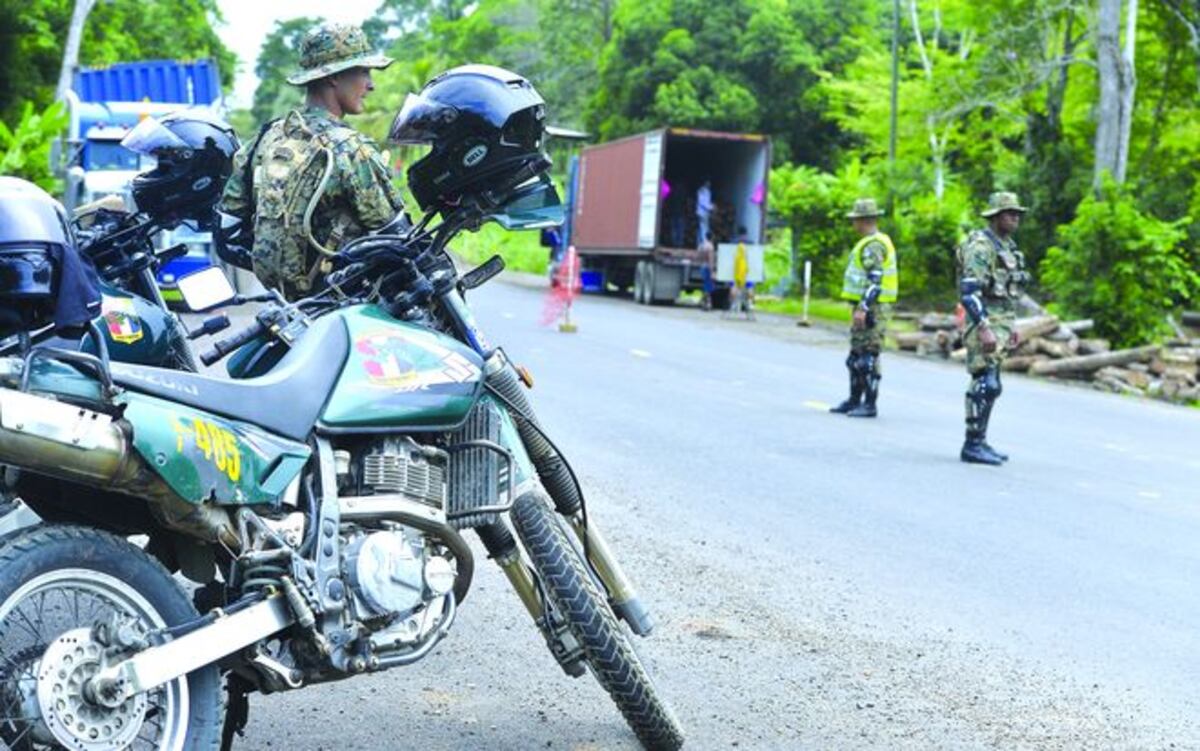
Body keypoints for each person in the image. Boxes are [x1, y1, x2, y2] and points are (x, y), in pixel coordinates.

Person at [219, 22, 403, 300]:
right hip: (348, 308)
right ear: (333, 77)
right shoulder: (350, 148)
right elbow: (398, 238)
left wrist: (286, 276)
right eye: (363, 71)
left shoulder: (264, 140)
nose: (371, 84)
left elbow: (226, 232)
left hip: (287, 308)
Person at [957, 191, 1031, 465]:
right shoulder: (981, 247)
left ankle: (981, 440)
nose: (1015, 218)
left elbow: (1009, 293)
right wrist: (984, 327)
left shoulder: (1007, 246)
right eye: (1010, 213)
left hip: (1001, 321)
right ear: (996, 216)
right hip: (983, 320)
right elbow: (969, 292)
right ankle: (971, 444)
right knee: (984, 383)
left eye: (1017, 214)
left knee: (993, 384)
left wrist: (1011, 325)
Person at [830, 198, 898, 418]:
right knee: (855, 356)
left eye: (856, 220)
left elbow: (875, 280)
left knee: (867, 357)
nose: (854, 225)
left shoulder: (873, 246)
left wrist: (863, 307)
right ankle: (853, 400)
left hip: (873, 309)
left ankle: (869, 404)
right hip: (867, 306)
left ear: (864, 220)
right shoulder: (870, 242)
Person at [696, 179, 713, 248]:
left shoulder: (704, 190)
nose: (709, 184)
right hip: (703, 212)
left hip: (703, 212)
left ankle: (700, 244)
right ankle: (704, 244)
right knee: (704, 228)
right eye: (708, 182)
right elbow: (703, 202)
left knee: (702, 228)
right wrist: (711, 207)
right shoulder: (703, 191)